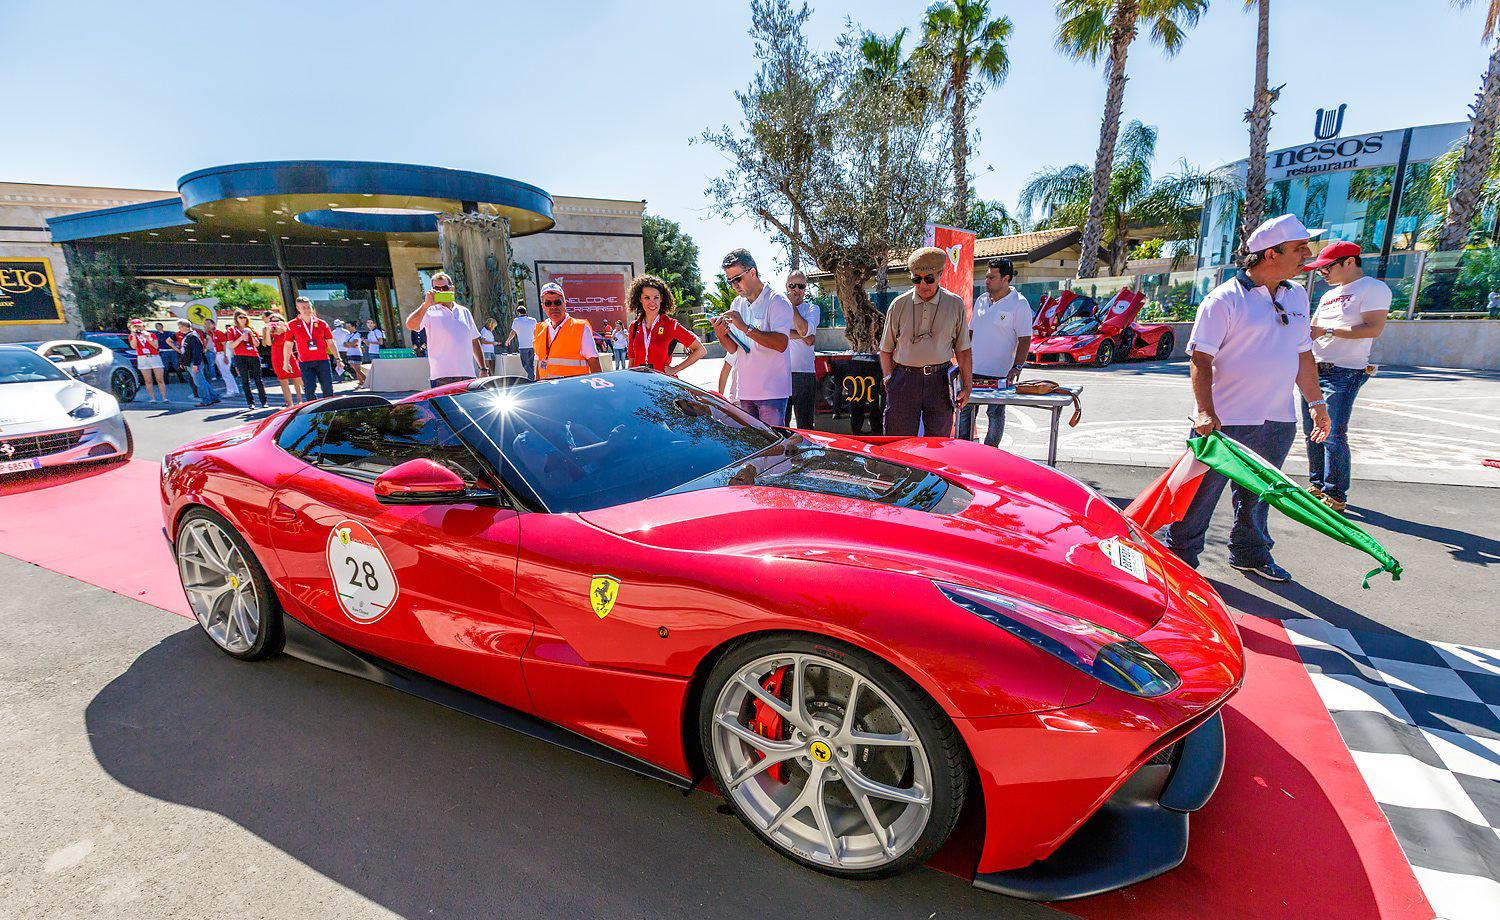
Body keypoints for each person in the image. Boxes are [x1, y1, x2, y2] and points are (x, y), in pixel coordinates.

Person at [1162, 214, 1332, 582]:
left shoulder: (1297, 294)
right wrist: (1205, 411)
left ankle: (1250, 554)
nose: (1307, 254)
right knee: (1198, 497)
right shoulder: (1223, 299)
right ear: (1271, 254)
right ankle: (1179, 564)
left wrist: (1317, 405)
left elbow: (1303, 353)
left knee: (1260, 494)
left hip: (1277, 419)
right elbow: (1200, 359)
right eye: (1300, 247)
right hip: (1224, 422)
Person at [1303, 240, 1390, 512]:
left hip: (1343, 371)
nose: (1322, 273)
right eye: (1319, 270)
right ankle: (1317, 484)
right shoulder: (1329, 294)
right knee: (1311, 432)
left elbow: (1373, 328)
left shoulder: (1373, 288)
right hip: (1315, 367)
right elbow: (1312, 327)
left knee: (1333, 433)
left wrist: (1328, 332)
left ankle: (1336, 494)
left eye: (1326, 267)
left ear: (1349, 262)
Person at [878, 247, 972, 437]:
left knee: (938, 443)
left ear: (940, 275)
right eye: (916, 279)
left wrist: (967, 386)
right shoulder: (898, 304)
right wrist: (889, 378)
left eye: (929, 278)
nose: (923, 284)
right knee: (897, 441)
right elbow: (885, 349)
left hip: (940, 380)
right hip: (904, 379)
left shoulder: (954, 304)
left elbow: (963, 350)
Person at [711, 249, 792, 425]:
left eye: (737, 279)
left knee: (774, 450)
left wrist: (746, 327)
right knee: (752, 449)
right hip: (745, 393)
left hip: (772, 394)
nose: (734, 286)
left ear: (752, 272)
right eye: (730, 281)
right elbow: (734, 349)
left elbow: (781, 344)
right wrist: (721, 334)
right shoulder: (737, 304)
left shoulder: (777, 301)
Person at [958, 258, 1033, 447]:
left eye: (992, 277)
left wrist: (1017, 367)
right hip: (973, 370)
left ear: (1006, 278)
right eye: (986, 277)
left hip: (1000, 374)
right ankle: (964, 452)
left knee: (995, 414)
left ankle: (990, 454)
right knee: (966, 411)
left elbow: (1025, 339)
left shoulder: (1019, 304)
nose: (987, 281)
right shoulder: (982, 300)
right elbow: (971, 332)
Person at [404, 271, 484, 388]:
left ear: (452, 288)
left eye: (445, 287)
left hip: (467, 374)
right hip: (442, 376)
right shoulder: (429, 311)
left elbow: (474, 340)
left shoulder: (464, 311)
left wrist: (483, 368)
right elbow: (410, 325)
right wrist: (425, 305)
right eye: (437, 288)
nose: (441, 291)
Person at [625, 275, 706, 377]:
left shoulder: (671, 325)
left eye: (656, 297)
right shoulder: (634, 326)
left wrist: (675, 369)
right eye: (646, 298)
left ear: (661, 299)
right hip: (640, 384)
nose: (652, 302)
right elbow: (632, 361)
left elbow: (700, 350)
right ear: (640, 299)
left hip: (662, 384)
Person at [532, 282, 602, 379]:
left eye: (557, 302)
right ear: (543, 306)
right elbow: (540, 363)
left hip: (574, 391)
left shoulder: (580, 328)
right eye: (548, 303)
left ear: (564, 304)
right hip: (547, 391)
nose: (553, 307)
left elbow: (594, 363)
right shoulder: (539, 329)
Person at [288, 296, 342, 400]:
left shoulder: (322, 323)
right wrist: (286, 362)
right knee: (309, 389)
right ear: (298, 308)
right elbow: (288, 344)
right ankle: (313, 413)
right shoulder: (292, 324)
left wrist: (338, 359)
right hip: (305, 362)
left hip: (323, 360)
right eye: (303, 307)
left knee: (328, 388)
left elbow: (331, 342)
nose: (307, 310)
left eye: (308, 307)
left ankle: (330, 411)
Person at [785, 271, 820, 428]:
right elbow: (806, 336)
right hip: (781, 374)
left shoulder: (812, 309)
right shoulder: (777, 309)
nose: (796, 290)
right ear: (786, 287)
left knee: (805, 427)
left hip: (805, 375)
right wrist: (802, 335)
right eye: (792, 285)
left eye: (801, 286)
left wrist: (791, 306)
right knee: (781, 427)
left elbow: (806, 331)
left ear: (806, 288)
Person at [228, 310, 268, 408]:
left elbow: (257, 344)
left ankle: (264, 401)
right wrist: (241, 338)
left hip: (253, 355)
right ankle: (251, 402)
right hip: (240, 356)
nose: (243, 319)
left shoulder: (251, 329)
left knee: (258, 379)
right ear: (236, 319)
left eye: (244, 317)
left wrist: (252, 335)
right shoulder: (232, 330)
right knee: (245, 380)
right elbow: (232, 346)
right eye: (240, 317)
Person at [177, 319, 221, 407]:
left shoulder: (192, 336)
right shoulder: (189, 336)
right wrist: (182, 362)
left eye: (180, 327)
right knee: (202, 381)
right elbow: (185, 351)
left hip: (194, 363)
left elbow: (197, 351)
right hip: (191, 362)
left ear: (183, 326)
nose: (179, 329)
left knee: (199, 382)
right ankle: (214, 397)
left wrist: (195, 364)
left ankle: (206, 400)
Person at [263, 312, 303, 407]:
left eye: (277, 321)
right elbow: (268, 343)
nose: (275, 323)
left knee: (296, 378)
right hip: (277, 357)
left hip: (289, 356)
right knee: (283, 381)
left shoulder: (286, 329)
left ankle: (300, 401)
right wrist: (268, 331)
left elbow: (293, 339)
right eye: (272, 321)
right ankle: (290, 404)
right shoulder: (269, 331)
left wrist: (284, 328)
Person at [129, 319, 167, 403]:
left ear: (143, 326)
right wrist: (134, 336)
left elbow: (156, 346)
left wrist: (147, 338)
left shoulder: (151, 334)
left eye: (139, 326)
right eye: (135, 326)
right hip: (142, 357)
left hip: (154, 356)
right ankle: (152, 398)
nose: (138, 328)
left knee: (159, 379)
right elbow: (133, 346)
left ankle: (164, 398)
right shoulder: (132, 336)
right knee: (148, 380)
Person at [203, 318, 240, 398]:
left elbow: (225, 345)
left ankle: (230, 391)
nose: (206, 326)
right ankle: (235, 390)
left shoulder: (218, 333)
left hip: (223, 354)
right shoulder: (213, 334)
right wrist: (216, 358)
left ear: (214, 324)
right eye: (205, 324)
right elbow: (215, 347)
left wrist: (226, 356)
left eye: (208, 324)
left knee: (226, 374)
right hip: (219, 355)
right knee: (226, 373)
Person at [505, 306, 538, 379]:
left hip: (523, 346)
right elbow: (536, 332)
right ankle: (531, 379)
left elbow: (513, 332)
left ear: (518, 312)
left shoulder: (517, 321)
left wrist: (508, 340)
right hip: (532, 345)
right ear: (525, 311)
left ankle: (532, 375)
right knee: (531, 364)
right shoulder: (533, 320)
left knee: (524, 364)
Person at [338, 320, 367, 387]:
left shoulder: (357, 334)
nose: (348, 328)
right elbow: (344, 344)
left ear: (353, 327)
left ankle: (367, 381)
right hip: (349, 353)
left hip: (356, 353)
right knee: (355, 369)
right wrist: (350, 345)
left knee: (358, 369)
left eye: (349, 327)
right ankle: (361, 382)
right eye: (347, 327)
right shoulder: (348, 335)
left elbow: (354, 343)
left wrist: (350, 345)